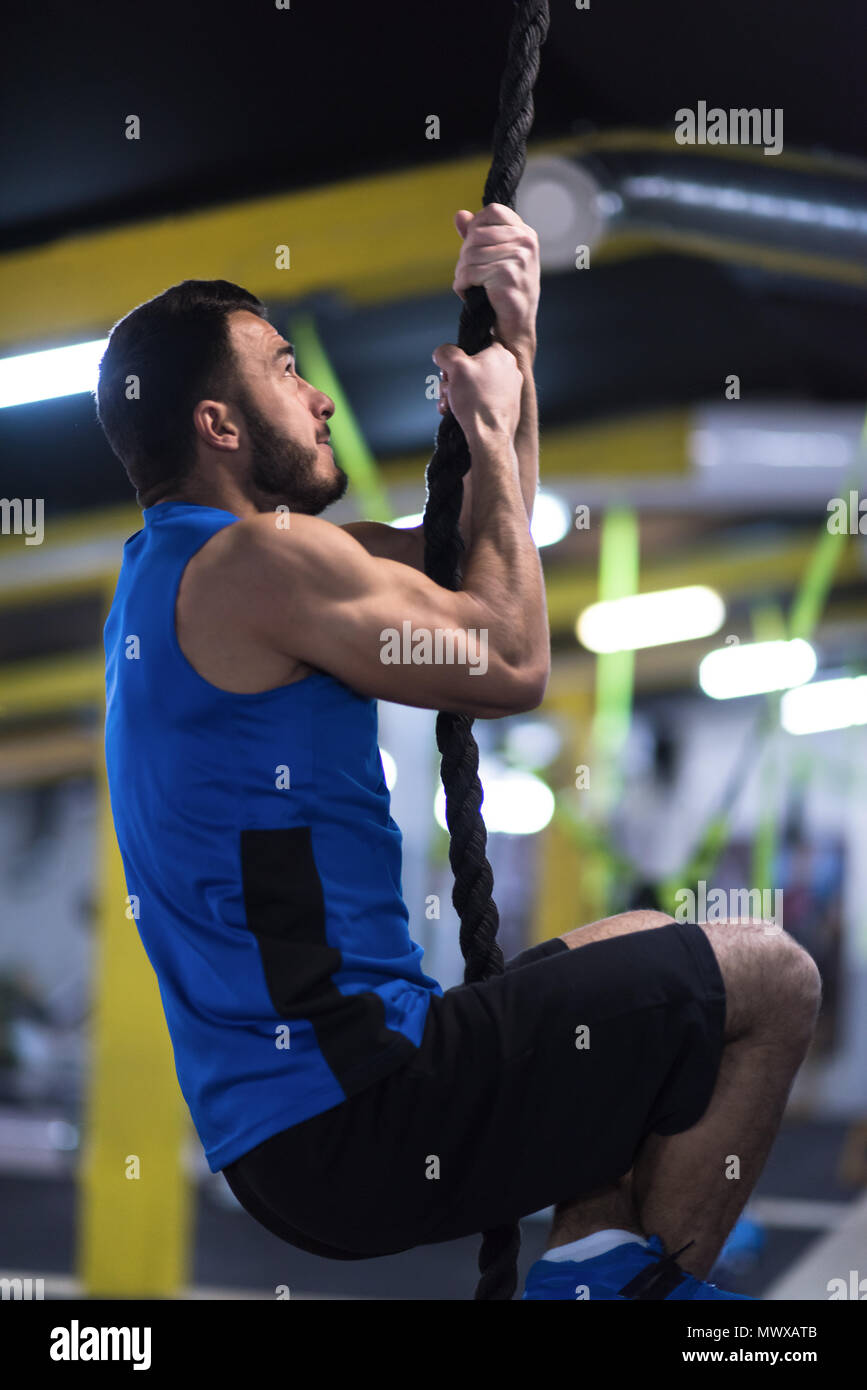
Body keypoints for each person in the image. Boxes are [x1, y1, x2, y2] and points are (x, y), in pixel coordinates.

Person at [97, 206, 821, 1300]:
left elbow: (482, 552)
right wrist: (482, 429)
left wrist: (517, 348)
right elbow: (511, 655)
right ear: (220, 423)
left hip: (300, 1135)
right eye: (286, 371)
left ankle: (592, 1269)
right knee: (776, 974)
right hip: (361, 1107)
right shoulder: (256, 565)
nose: (319, 393)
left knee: (642, 956)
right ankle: (641, 1299)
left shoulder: (181, 577)